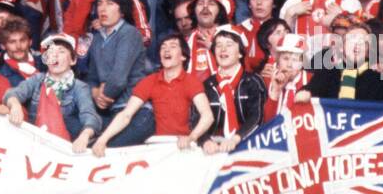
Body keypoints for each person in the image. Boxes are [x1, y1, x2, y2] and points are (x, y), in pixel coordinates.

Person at [93, 34, 213, 153]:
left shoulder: (191, 82)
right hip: (154, 144)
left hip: (180, 144)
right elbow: (126, 115)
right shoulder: (150, 81)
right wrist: (102, 140)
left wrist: (191, 137)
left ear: (183, 56)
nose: (166, 50)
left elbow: (207, 116)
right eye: (163, 47)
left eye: (173, 46)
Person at [2, 34, 101, 152]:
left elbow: (90, 116)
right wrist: (15, 104)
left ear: (73, 60)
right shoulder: (37, 80)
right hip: (34, 147)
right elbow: (12, 93)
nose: (55, 55)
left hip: (64, 150)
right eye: (51, 51)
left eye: (61, 51)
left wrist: (85, 135)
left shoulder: (80, 87)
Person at [85, 0, 154, 146]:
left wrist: (104, 95)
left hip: (136, 113)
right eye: (100, 3)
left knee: (105, 150)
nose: (103, 8)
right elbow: (91, 78)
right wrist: (95, 93)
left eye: (110, 3)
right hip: (112, 113)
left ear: (122, 10)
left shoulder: (129, 33)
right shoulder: (96, 39)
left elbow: (118, 79)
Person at [200, 25, 267, 153]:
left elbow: (256, 117)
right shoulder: (206, 85)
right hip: (213, 146)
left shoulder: (253, 81)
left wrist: (236, 139)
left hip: (247, 143)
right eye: (218, 45)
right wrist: (205, 141)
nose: (223, 49)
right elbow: (196, 119)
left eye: (229, 44)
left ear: (240, 53)